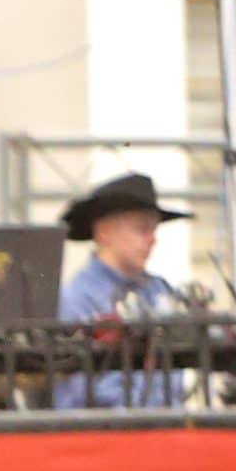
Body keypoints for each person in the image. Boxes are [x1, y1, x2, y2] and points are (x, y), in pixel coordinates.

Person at [54, 172, 193, 409]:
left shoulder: (158, 289)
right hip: (105, 436)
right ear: (104, 232)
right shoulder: (76, 298)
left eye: (154, 230)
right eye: (142, 229)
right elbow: (82, 390)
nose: (152, 240)